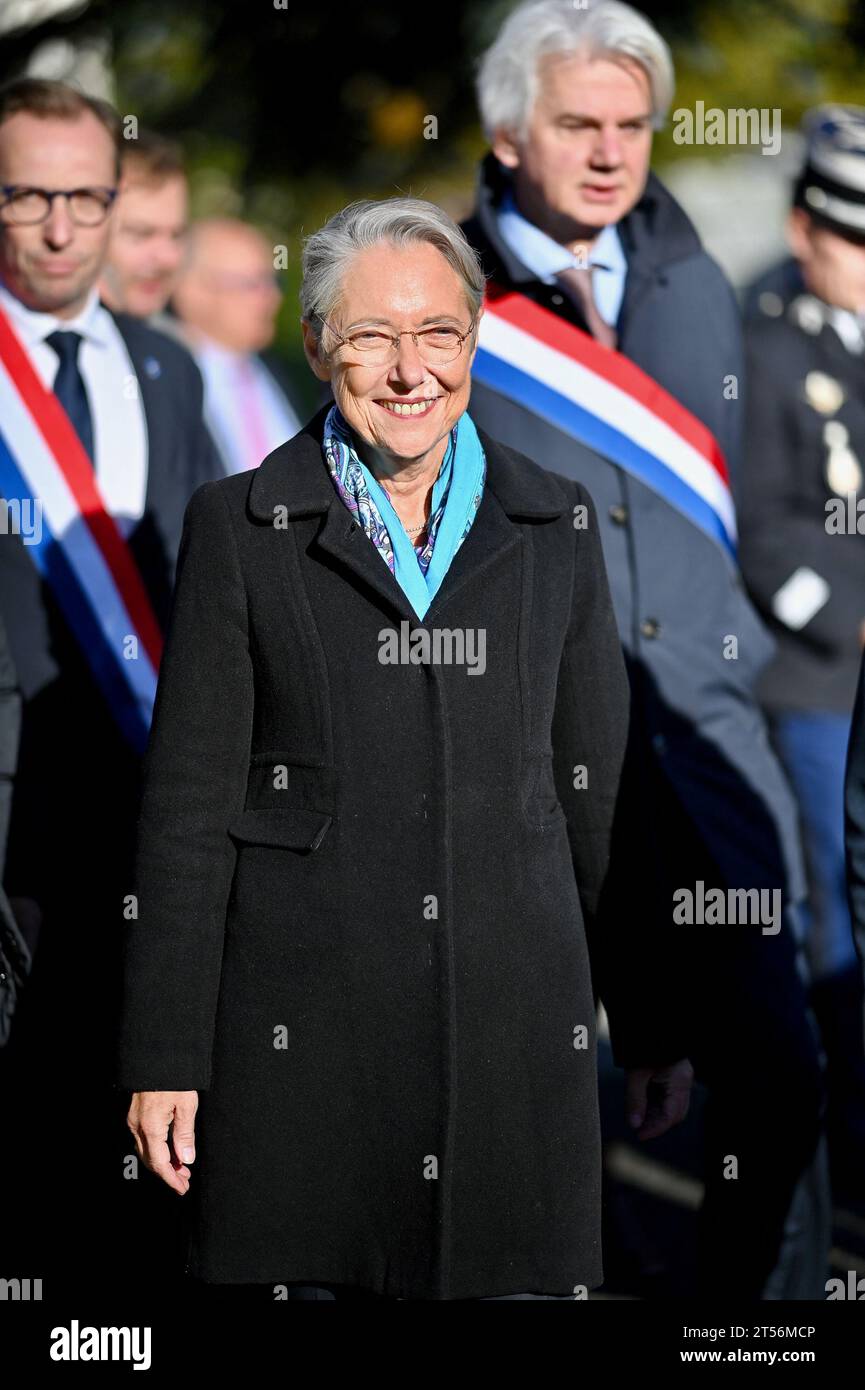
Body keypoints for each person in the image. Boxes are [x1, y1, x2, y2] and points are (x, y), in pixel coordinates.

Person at [116, 195, 694, 1301]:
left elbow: (600, 789)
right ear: (319, 346)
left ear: (472, 343)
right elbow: (186, 809)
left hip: (511, 1038)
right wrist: (163, 1055)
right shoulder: (239, 528)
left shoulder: (553, 523)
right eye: (372, 335)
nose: (407, 369)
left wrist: (654, 1018)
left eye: (437, 333)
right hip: (304, 1047)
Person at [460, 0, 829, 1298]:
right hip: (528, 756)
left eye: (632, 125)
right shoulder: (444, 299)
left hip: (707, 744)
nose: (613, 153)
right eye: (579, 124)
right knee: (539, 1101)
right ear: (509, 132)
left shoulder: (693, 284)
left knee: (777, 1079)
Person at [0, 76, 223, 1292]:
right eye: (27, 193)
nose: (56, 225)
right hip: (11, 847)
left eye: (85, 197)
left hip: (147, 838)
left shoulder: (164, 370)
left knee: (134, 1182)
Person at [739, 104, 865, 1204]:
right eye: (851, 237)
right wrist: (852, 617)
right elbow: (767, 527)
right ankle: (846, 1150)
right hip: (825, 680)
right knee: (841, 913)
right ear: (804, 230)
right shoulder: (767, 347)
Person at [172, 217, 308, 473]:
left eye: (272, 281)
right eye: (251, 284)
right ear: (191, 291)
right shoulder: (165, 381)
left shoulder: (286, 373)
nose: (273, 298)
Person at [99, 127, 189, 321]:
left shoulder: (173, 348)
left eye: (176, 235)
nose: (168, 258)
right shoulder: (33, 345)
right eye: (141, 234)